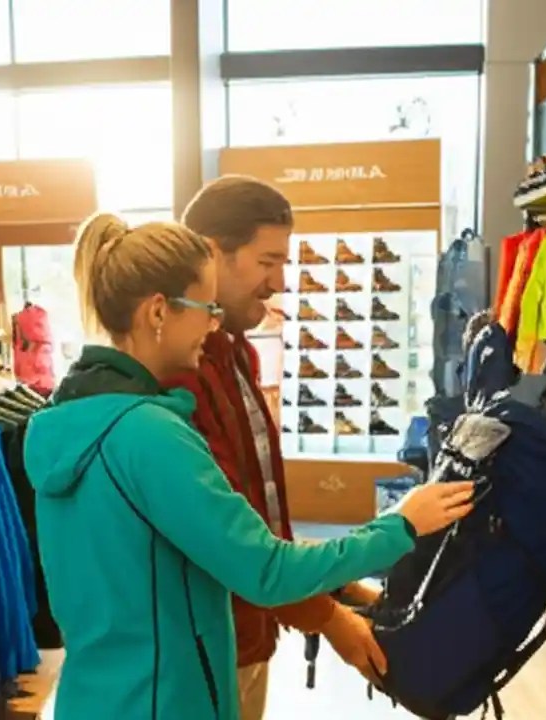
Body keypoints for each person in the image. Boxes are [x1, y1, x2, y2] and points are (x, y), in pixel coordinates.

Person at [23, 212, 474, 720]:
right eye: (206, 308)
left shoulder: (64, 424)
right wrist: (402, 524)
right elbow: (266, 571)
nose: (213, 323)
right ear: (158, 312)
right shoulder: (148, 435)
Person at [173, 175, 390, 717]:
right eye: (267, 262)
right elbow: (222, 534)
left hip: (250, 628)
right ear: (210, 254)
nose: (279, 283)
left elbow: (256, 505)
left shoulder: (237, 354)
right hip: (205, 645)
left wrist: (333, 586)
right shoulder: (184, 375)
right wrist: (327, 616)